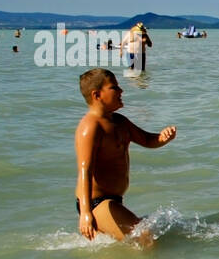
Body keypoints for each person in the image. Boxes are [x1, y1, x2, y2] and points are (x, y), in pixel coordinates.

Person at [74, 68, 176, 246]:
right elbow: (85, 170)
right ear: (97, 95)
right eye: (115, 88)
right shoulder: (90, 127)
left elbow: (147, 140)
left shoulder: (120, 122)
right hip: (95, 203)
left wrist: (162, 137)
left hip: (114, 200)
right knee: (145, 237)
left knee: (126, 244)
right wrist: (85, 213)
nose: (122, 91)